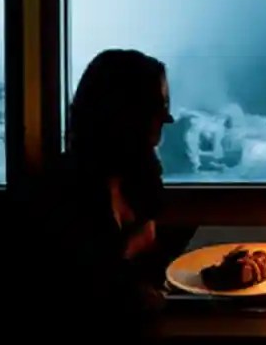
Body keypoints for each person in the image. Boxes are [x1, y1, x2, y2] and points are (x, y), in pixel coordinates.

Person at [34, 49, 175, 338]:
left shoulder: (136, 176)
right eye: (157, 106)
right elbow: (83, 293)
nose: (166, 118)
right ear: (125, 113)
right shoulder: (65, 189)